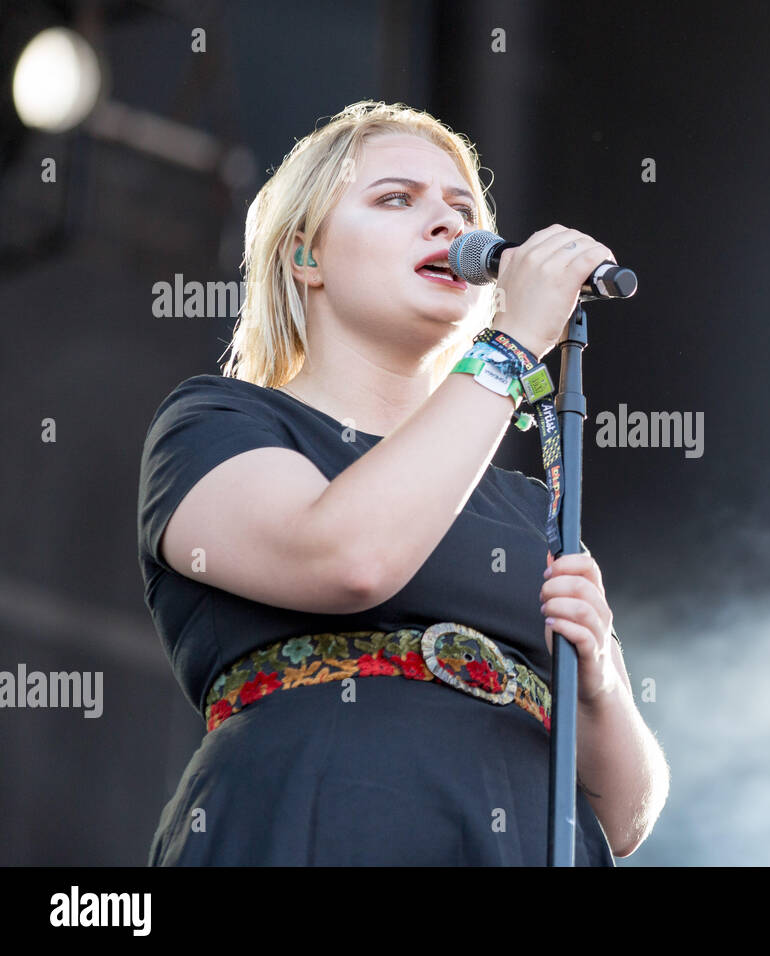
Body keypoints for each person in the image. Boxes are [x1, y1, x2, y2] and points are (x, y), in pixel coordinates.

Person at [136, 100, 669, 865]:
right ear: (304, 257)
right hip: (313, 821)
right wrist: (511, 348)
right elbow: (347, 560)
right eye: (396, 199)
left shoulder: (530, 507)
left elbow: (621, 818)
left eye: (462, 209)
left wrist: (601, 683)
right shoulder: (217, 423)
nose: (447, 225)